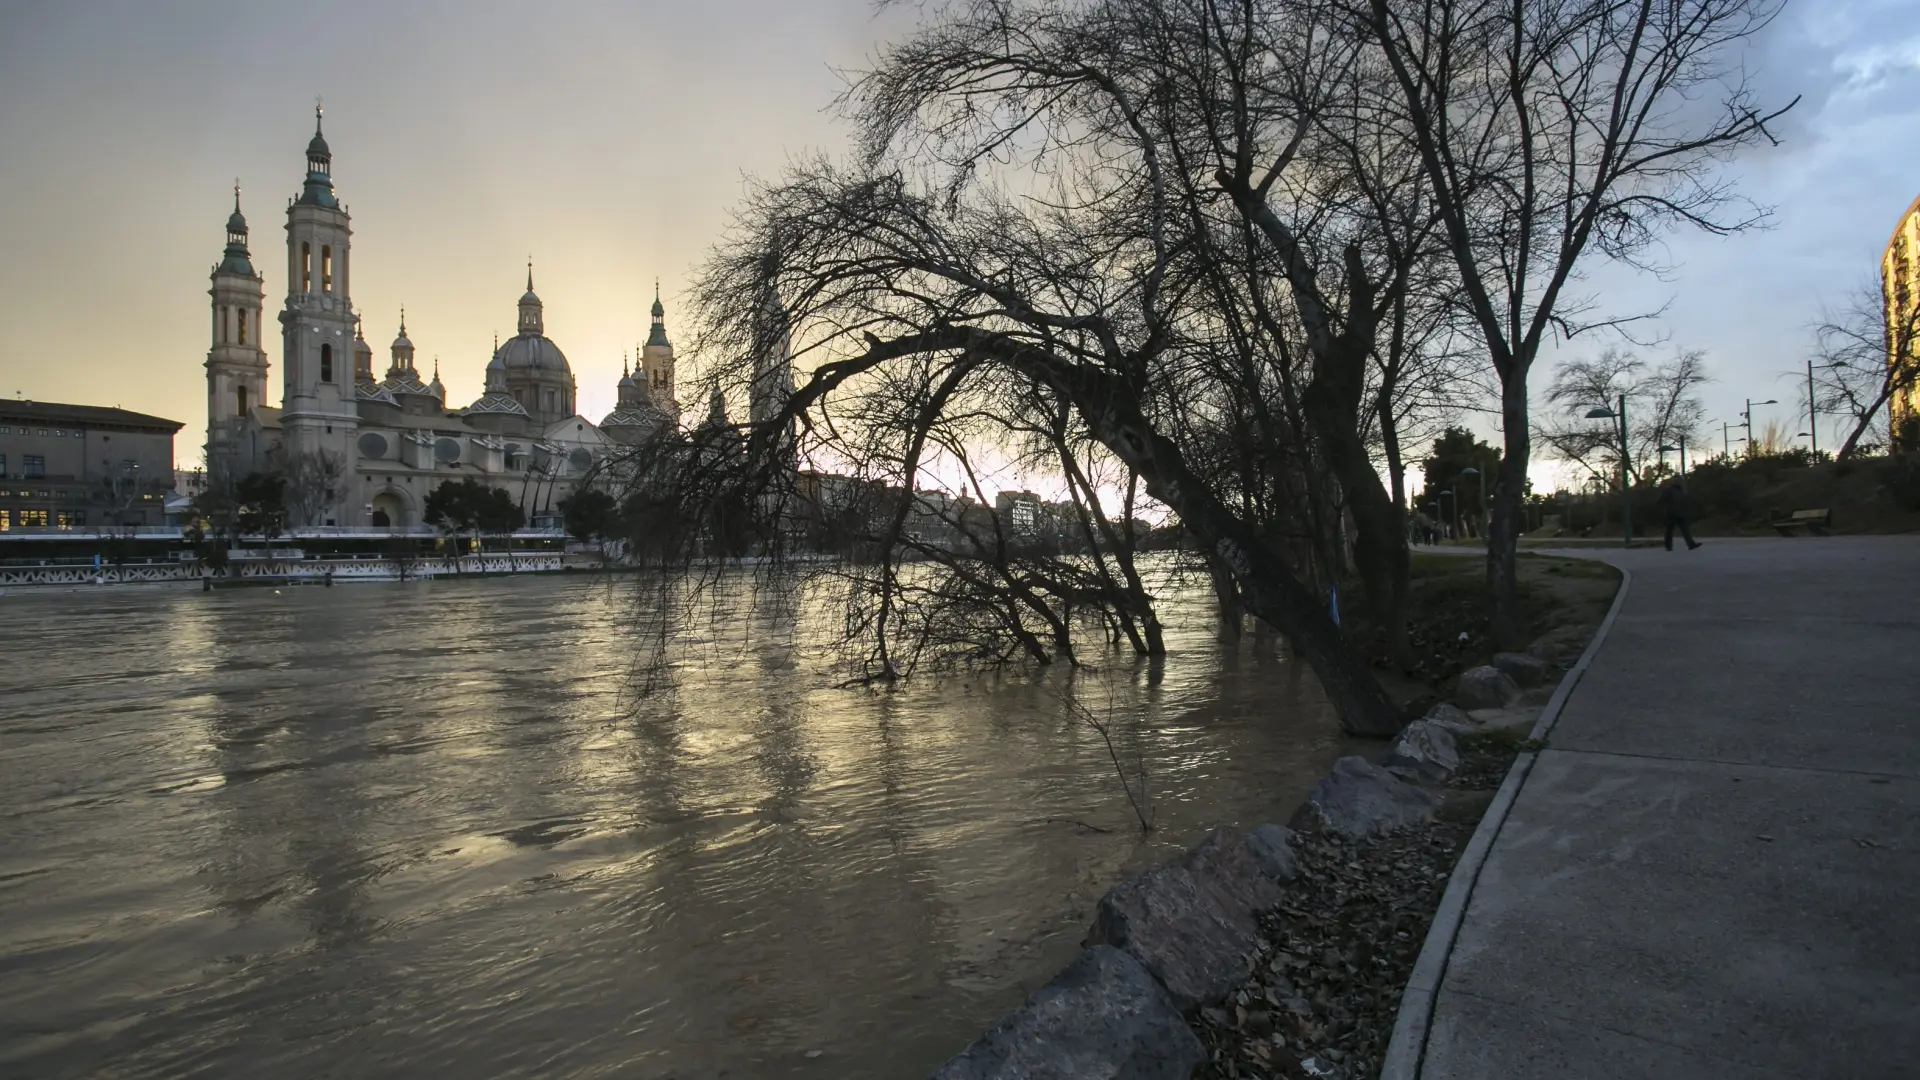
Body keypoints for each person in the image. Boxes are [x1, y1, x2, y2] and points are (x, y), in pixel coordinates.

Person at [1655, 476, 1702, 551]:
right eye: (1674, 480)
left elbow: (1685, 502)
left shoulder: (1681, 491)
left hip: (1681, 513)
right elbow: (1661, 500)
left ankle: (1691, 544)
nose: (1676, 482)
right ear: (1672, 481)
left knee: (1685, 530)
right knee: (1669, 531)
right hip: (1671, 514)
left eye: (1677, 480)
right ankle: (1668, 546)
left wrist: (1687, 511)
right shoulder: (1668, 490)